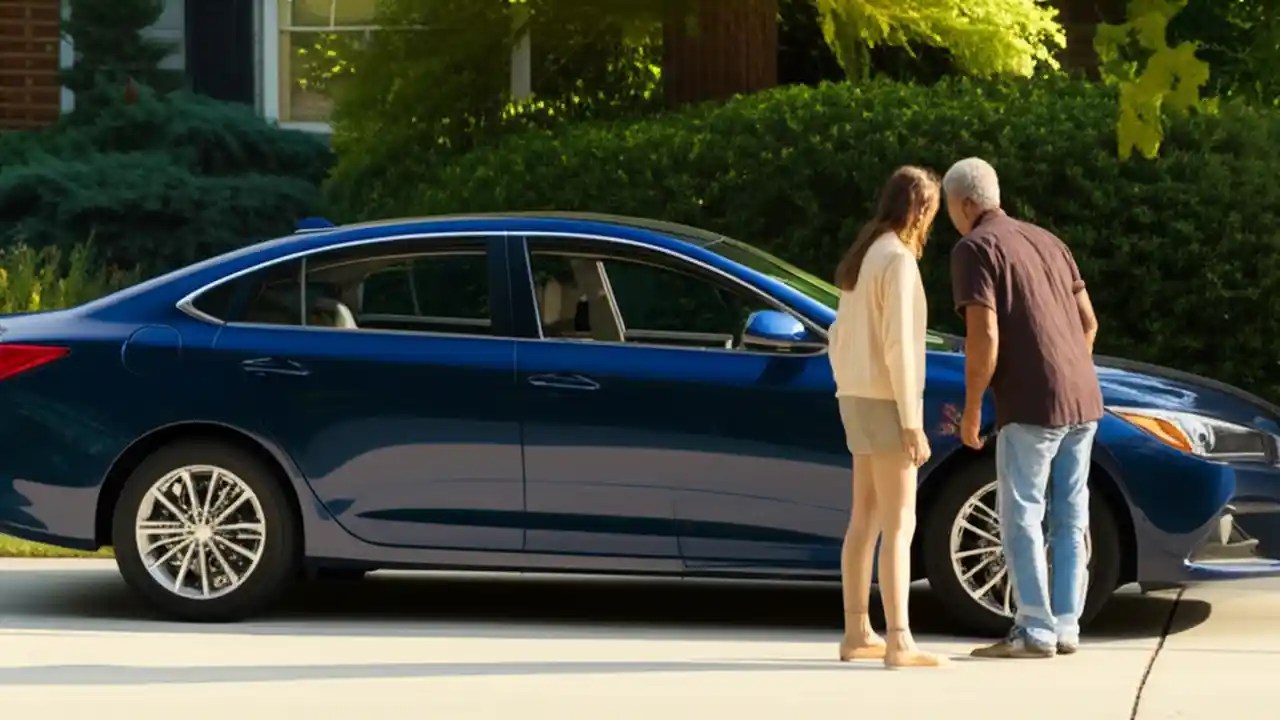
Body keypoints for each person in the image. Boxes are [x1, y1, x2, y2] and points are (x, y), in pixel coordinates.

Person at [942, 157, 1103, 659]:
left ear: (965, 204)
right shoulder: (1049, 241)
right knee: (1071, 515)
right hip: (1085, 396)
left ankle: (1034, 629)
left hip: (1031, 401)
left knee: (1021, 515)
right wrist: (1069, 367)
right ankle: (1067, 626)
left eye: (950, 208)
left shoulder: (974, 248)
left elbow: (984, 335)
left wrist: (972, 409)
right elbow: (1089, 323)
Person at [828, 166, 946, 669]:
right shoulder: (897, 259)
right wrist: (911, 420)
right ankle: (899, 640)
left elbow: (837, 336)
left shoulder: (864, 256)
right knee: (900, 523)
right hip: (886, 400)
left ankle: (858, 631)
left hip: (854, 396)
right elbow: (902, 347)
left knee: (866, 520)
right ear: (920, 210)